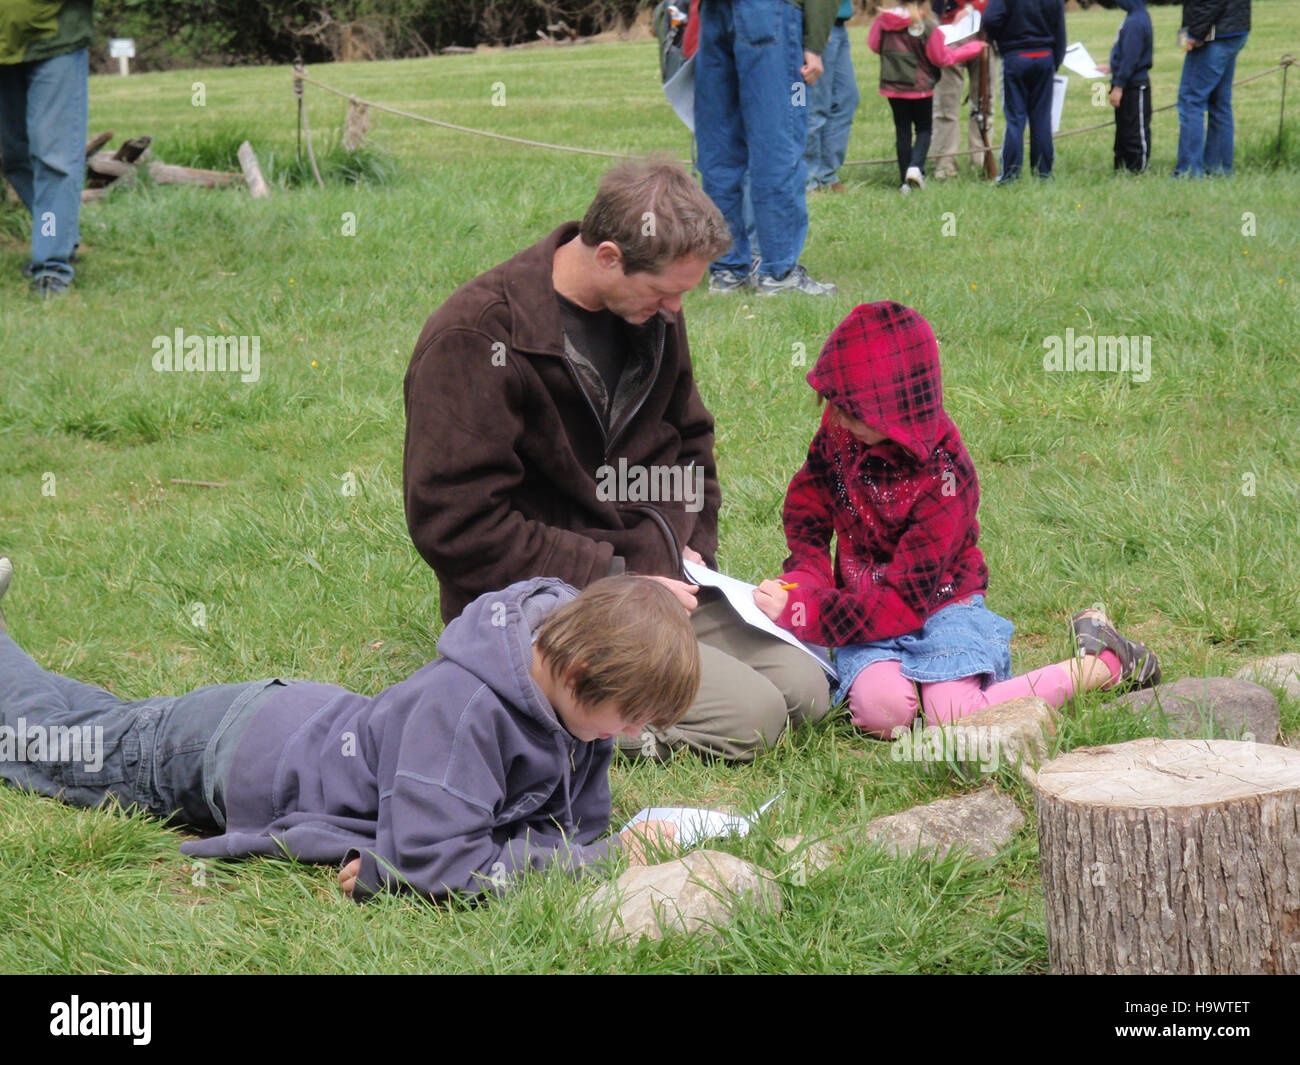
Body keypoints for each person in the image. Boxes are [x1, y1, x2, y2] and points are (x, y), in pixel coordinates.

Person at [403, 156, 832, 763]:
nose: (673, 311)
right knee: (753, 718)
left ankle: (622, 690)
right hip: (551, 604)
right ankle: (550, 716)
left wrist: (693, 550)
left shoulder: (649, 312)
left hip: (662, 586)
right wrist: (614, 578)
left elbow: (689, 441)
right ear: (608, 256)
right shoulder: (477, 338)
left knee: (807, 689)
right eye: (664, 292)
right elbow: (457, 526)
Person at [0, 563, 695, 901]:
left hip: (287, 718)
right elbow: (441, 863)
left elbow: (564, 828)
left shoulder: (570, 699)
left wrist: (591, 849)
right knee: (45, 742)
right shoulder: (464, 712)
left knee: (94, 718)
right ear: (575, 670)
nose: (631, 734)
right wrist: (602, 859)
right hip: (237, 750)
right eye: (628, 716)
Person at [751, 302, 1161, 739]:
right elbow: (809, 503)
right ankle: (920, 686)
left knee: (955, 716)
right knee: (882, 715)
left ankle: (1105, 664)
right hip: (864, 603)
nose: (838, 422)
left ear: (896, 413)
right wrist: (806, 575)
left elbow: (902, 605)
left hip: (942, 604)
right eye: (835, 407)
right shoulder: (842, 428)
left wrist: (807, 611)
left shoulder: (947, 479)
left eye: (853, 414)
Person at [693, 0, 840, 295]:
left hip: (714, 13)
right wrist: (814, 42)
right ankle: (779, 272)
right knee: (777, 137)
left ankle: (726, 271)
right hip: (769, 14)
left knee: (720, 146)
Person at [0, 0, 92, 298]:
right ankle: (61, 236)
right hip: (4, 43)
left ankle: (52, 265)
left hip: (54, 36)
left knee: (53, 157)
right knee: (15, 156)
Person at [868, 2, 987, 192]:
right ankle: (916, 167)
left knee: (902, 131)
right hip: (920, 87)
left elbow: (874, 45)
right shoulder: (927, 25)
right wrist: (972, 48)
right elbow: (941, 58)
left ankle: (903, 182)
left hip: (893, 86)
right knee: (924, 129)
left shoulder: (883, 20)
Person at [983, 0, 1066, 182]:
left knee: (1015, 119)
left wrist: (1002, 39)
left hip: (1016, 56)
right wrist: (1056, 60)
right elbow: (1059, 26)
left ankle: (1010, 175)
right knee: (1042, 118)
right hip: (1045, 56)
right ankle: (1043, 173)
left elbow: (990, 19)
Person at [1173, 0, 1250, 178]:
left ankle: (1189, 172)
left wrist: (1194, 34)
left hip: (1214, 33)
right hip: (1235, 28)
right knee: (1219, 101)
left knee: (1191, 100)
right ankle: (1219, 168)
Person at [930, 0, 998, 181]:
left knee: (984, 105)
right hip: (947, 29)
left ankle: (981, 160)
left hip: (985, 31)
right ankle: (944, 166)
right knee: (945, 105)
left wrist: (973, 8)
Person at [804, 0, 859, 194]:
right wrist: (813, 29)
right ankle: (807, 178)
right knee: (814, 106)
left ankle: (826, 174)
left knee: (847, 98)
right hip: (819, 24)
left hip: (838, 23)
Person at [1105, 0, 1153, 173]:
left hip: (1134, 85)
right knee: (1123, 129)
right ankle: (1122, 166)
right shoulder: (1132, 18)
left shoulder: (1135, 21)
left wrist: (1118, 85)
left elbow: (1131, 58)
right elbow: (1125, 52)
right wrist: (1112, 67)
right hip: (1126, 82)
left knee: (1135, 129)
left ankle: (1138, 169)